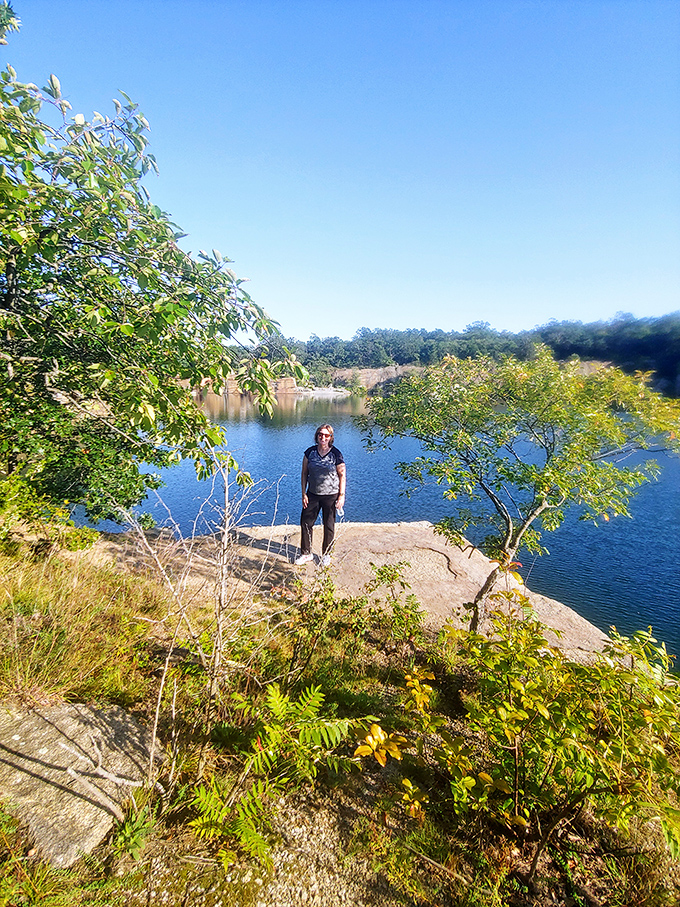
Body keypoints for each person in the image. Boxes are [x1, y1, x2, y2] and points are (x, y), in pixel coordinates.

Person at [295, 423, 346, 566]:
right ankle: (306, 553)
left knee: (328, 525)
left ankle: (326, 554)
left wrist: (341, 496)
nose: (323, 437)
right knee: (306, 523)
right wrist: (303, 493)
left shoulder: (336, 454)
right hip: (312, 494)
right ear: (317, 436)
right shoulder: (309, 453)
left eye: (326, 435)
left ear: (331, 437)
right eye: (320, 434)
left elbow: (342, 475)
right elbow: (304, 473)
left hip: (331, 495)